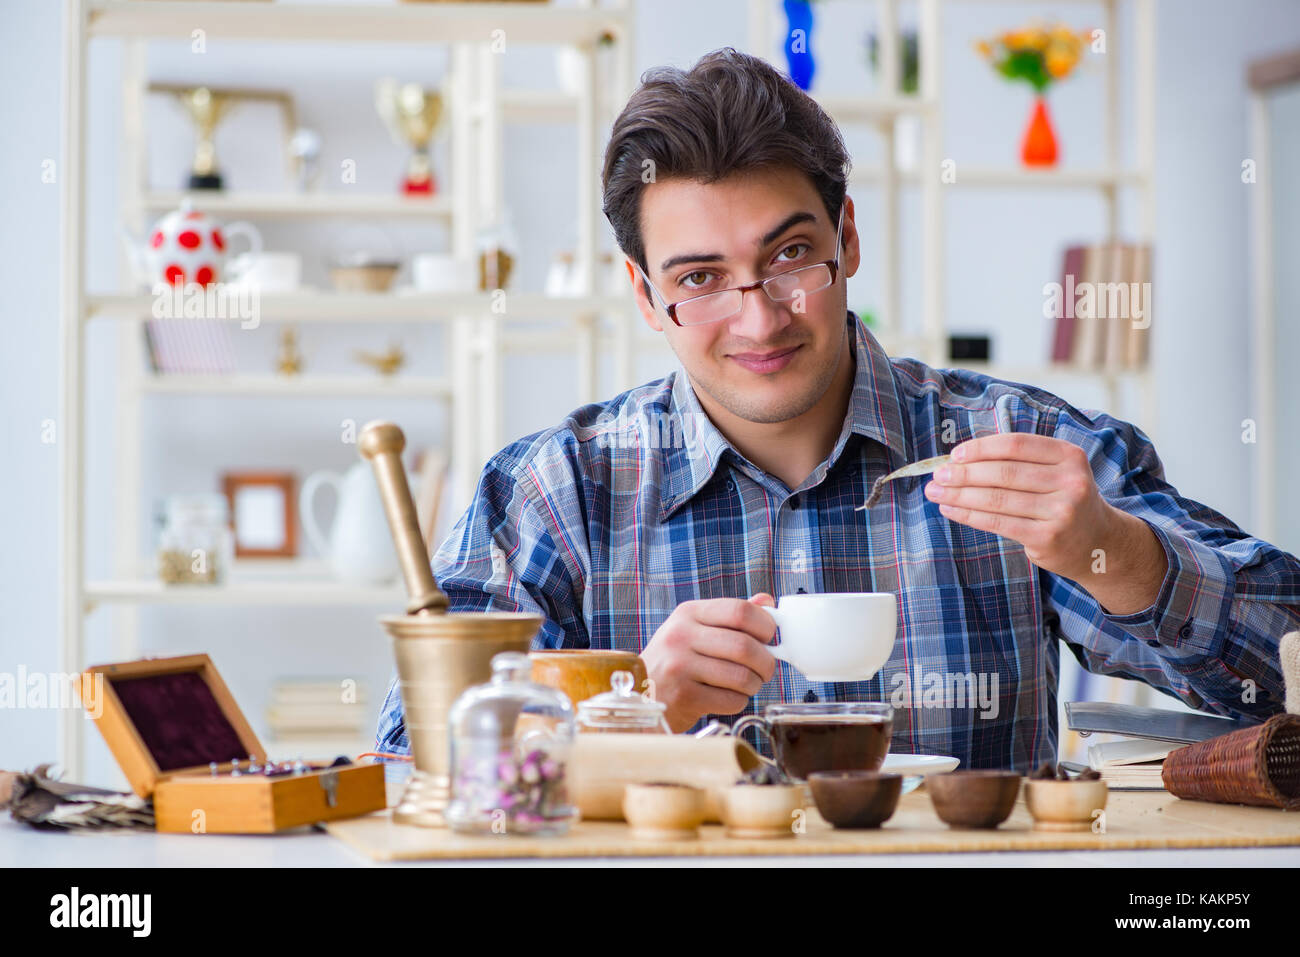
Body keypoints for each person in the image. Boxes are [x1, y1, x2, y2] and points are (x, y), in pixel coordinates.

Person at [376, 48, 1299, 771]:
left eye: (789, 256)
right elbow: (413, 761)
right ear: (645, 297)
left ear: (847, 237)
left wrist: (1121, 555)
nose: (759, 316)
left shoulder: (1022, 448)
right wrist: (628, 705)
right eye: (700, 278)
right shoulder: (556, 492)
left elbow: (1284, 677)